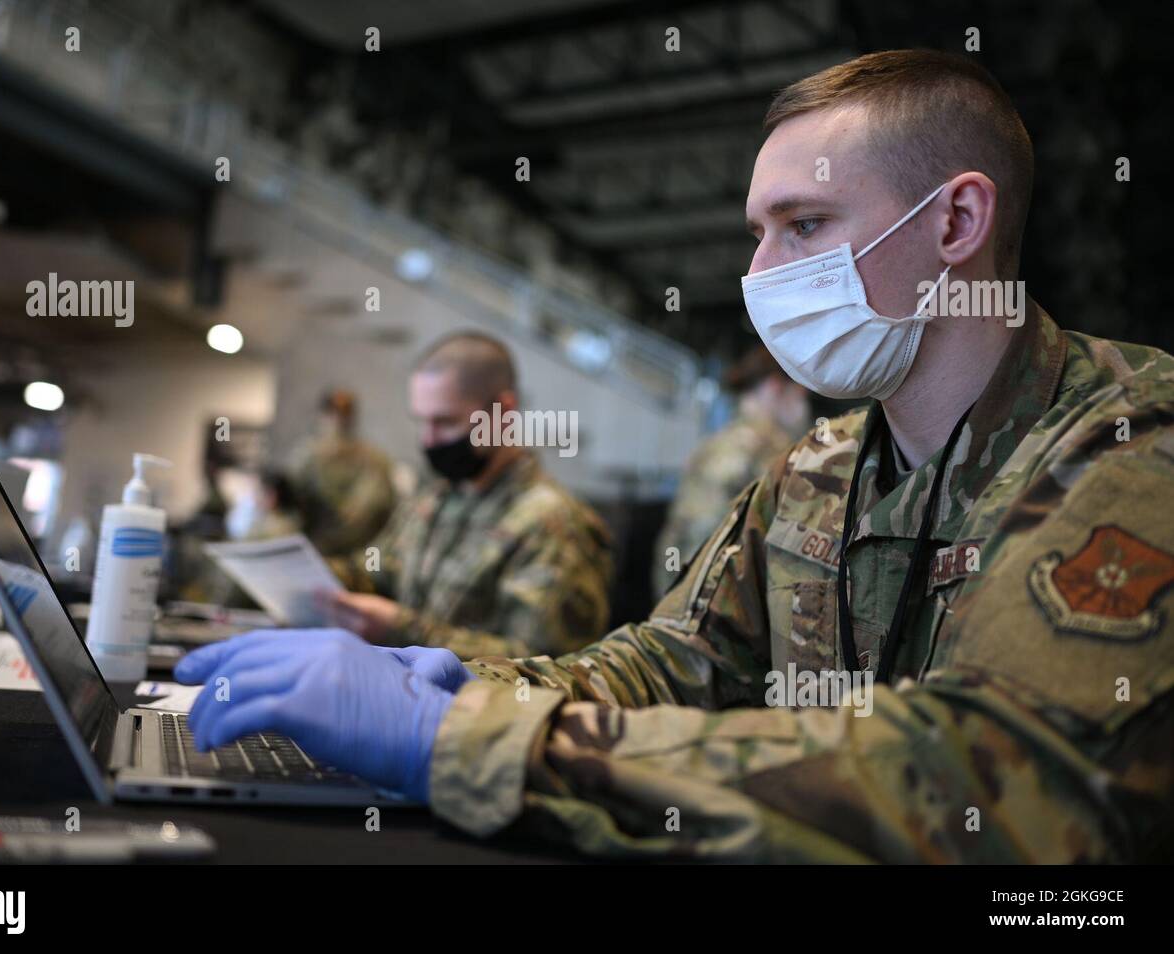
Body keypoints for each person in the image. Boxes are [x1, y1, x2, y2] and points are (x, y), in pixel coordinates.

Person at [176, 50, 1174, 862]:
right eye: (757, 233)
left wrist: (467, 742)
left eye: (805, 226)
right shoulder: (815, 470)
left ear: (956, 222)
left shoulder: (1131, 444)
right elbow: (675, 661)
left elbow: (992, 777)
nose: (758, 275)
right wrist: (463, 689)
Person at [320, 331, 613, 659]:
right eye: (422, 421)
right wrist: (313, 576)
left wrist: (402, 630)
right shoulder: (434, 498)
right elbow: (376, 574)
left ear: (503, 411)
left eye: (445, 422)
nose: (428, 440)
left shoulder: (553, 524)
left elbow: (546, 665)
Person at [653, 347, 810, 594]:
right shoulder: (775, 452)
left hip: (682, 595)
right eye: (801, 395)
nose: (804, 408)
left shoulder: (715, 442)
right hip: (723, 602)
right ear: (775, 387)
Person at [288, 389, 396, 558]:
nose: (338, 420)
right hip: (317, 549)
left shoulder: (373, 460)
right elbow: (291, 504)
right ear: (322, 415)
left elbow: (383, 507)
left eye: (345, 413)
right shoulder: (306, 458)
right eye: (332, 412)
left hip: (361, 551)